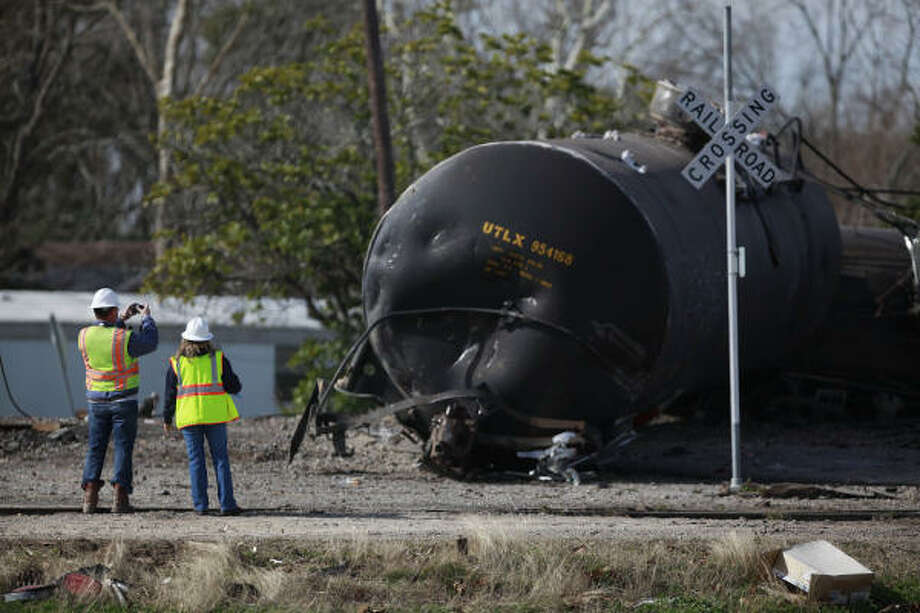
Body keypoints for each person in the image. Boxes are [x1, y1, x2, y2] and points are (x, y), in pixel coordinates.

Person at [79, 287, 158, 514]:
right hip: (123, 401)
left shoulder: (84, 335)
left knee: (95, 447)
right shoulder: (125, 338)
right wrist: (147, 318)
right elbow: (150, 342)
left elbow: (108, 338)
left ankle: (89, 497)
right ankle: (120, 498)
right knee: (123, 447)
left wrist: (121, 319)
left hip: (96, 402)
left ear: (95, 312)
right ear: (113, 311)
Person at [163, 316, 243, 516]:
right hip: (215, 416)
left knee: (196, 460)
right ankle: (227, 505)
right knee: (220, 459)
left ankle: (201, 506)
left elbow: (169, 395)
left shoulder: (177, 363)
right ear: (207, 339)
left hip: (189, 418)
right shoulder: (218, 359)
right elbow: (234, 386)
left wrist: (166, 418)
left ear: (186, 339)